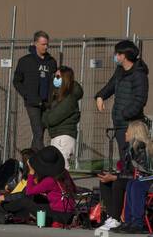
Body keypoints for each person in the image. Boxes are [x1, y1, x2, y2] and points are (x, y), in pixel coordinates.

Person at [95, 39, 149, 167]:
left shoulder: (139, 75)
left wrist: (124, 114)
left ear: (124, 56)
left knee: (137, 160)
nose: (115, 56)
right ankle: (127, 185)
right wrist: (100, 96)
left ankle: (141, 185)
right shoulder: (120, 71)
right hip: (120, 125)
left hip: (132, 125)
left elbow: (140, 100)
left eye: (117, 54)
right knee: (125, 161)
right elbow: (110, 86)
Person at [0, 145, 77, 225]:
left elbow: (29, 191)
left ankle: (1, 208)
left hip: (58, 215)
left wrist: (31, 173)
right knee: (36, 197)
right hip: (69, 213)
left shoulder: (50, 180)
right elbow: (74, 189)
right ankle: (13, 212)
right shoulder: (64, 173)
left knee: (26, 202)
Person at [12, 30, 57, 151]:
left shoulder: (51, 62)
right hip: (32, 103)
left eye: (47, 44)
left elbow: (55, 81)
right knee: (38, 132)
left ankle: (31, 160)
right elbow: (16, 81)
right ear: (35, 44)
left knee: (41, 131)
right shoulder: (25, 61)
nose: (45, 47)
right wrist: (27, 95)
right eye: (43, 44)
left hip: (47, 103)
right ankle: (41, 160)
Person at [42, 65, 82, 169]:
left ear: (65, 79)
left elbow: (52, 119)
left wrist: (46, 115)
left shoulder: (69, 99)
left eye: (58, 77)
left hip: (63, 138)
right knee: (57, 169)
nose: (55, 79)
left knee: (62, 169)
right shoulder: (59, 96)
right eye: (55, 76)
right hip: (58, 136)